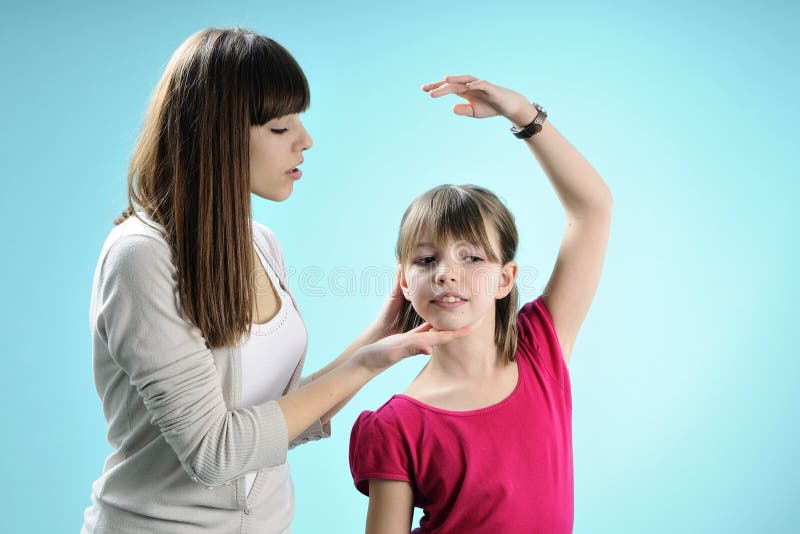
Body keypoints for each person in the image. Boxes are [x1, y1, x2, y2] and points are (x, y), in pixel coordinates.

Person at [81, 28, 468, 533]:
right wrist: (370, 362)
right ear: (216, 134)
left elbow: (277, 423)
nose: (305, 141)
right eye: (280, 127)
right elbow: (216, 452)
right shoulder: (141, 258)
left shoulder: (260, 243)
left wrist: (385, 333)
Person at [348, 75, 613, 533]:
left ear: (505, 279)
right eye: (426, 260)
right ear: (404, 282)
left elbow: (593, 210)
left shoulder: (540, 349)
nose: (446, 273)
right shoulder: (396, 425)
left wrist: (523, 114)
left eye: (471, 257)